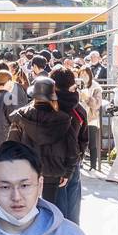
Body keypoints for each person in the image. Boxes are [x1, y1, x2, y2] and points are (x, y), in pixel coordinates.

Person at [6, 77, 81, 205]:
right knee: (52, 214)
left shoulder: (20, 117)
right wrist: (68, 172)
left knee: (28, 213)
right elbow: (73, 151)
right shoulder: (64, 119)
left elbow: (10, 148)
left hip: (26, 172)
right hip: (55, 173)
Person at [51, 66, 87, 226]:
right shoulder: (78, 108)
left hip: (52, 163)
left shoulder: (48, 106)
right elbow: (84, 139)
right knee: (73, 209)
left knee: (55, 211)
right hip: (74, 163)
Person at [77, 67, 103, 174]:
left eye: (85, 74)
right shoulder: (76, 86)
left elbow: (97, 104)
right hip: (78, 118)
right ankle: (80, 162)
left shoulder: (96, 87)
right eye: (81, 74)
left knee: (92, 142)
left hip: (91, 118)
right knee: (79, 141)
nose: (83, 77)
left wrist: (87, 97)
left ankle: (93, 165)